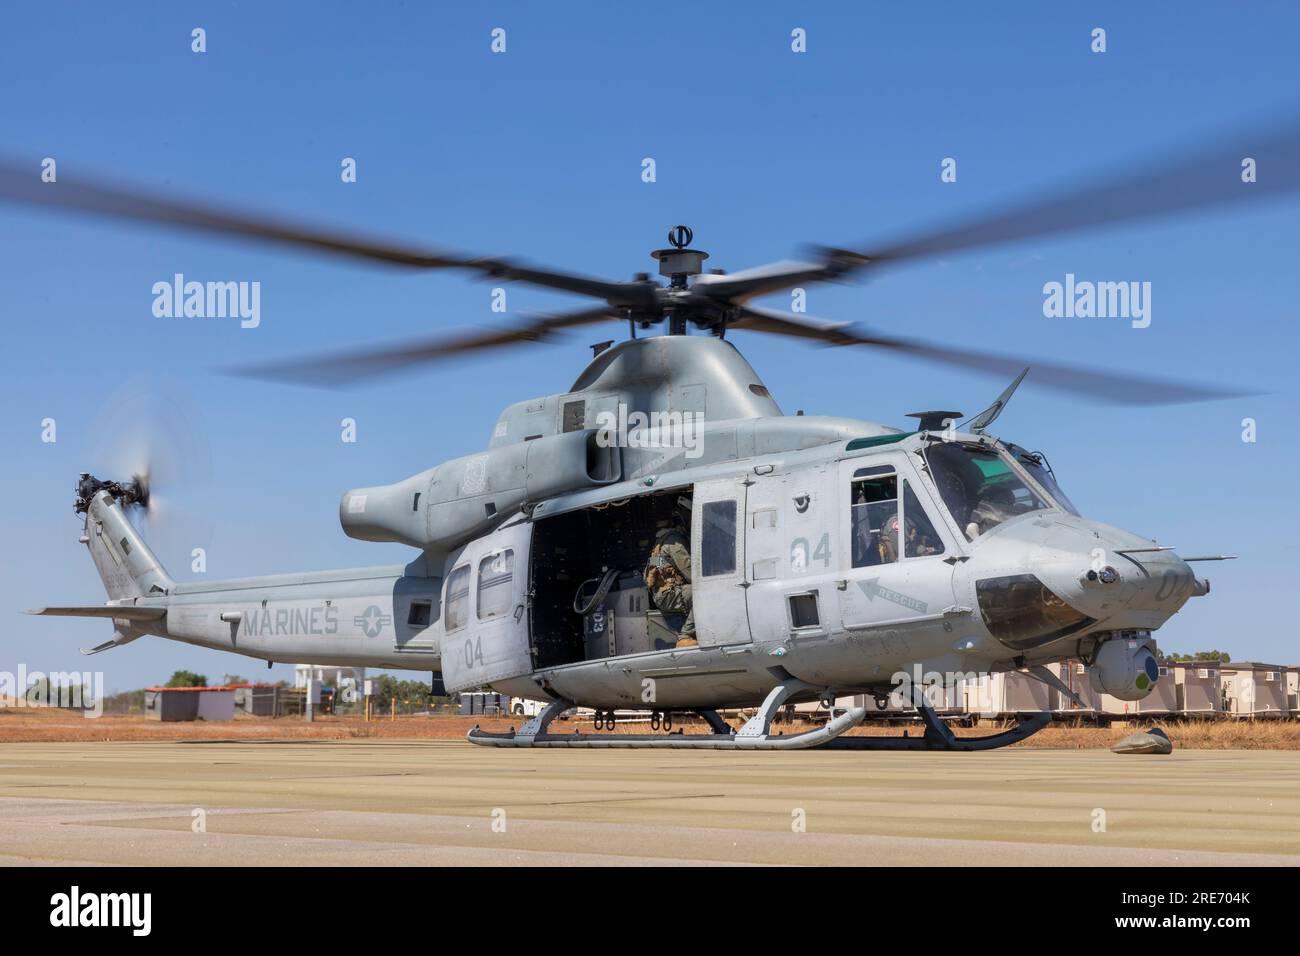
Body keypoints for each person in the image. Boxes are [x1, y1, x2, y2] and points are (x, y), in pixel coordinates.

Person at [645, 517, 696, 648]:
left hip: (662, 594)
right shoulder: (675, 542)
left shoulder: (661, 542)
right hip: (669, 594)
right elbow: (690, 572)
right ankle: (686, 636)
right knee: (701, 594)